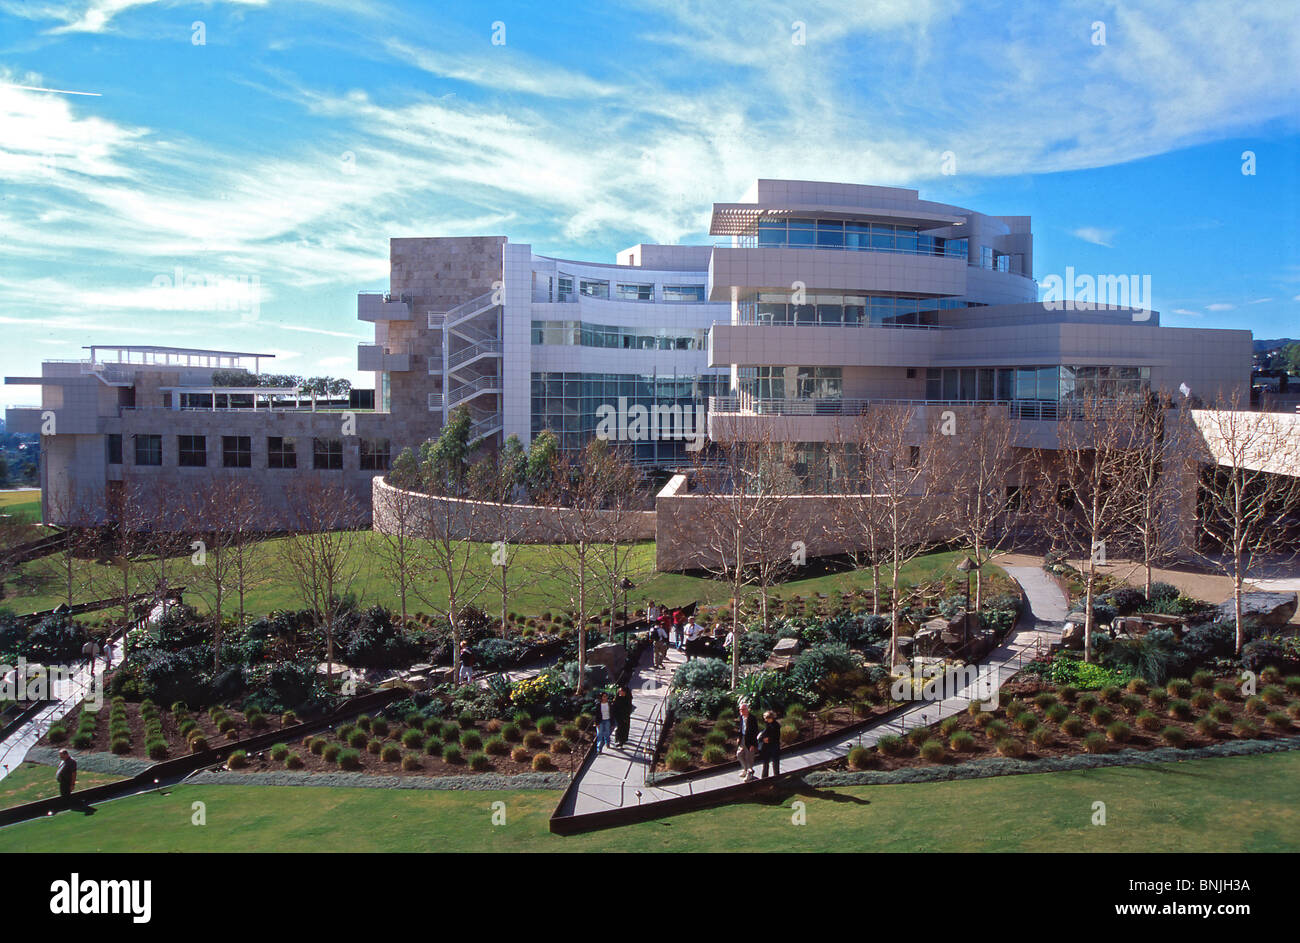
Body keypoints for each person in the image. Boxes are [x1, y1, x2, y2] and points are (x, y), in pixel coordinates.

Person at [736, 702, 759, 782]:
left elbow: (755, 731)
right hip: (743, 738)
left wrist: (753, 744)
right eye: (740, 710)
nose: (741, 711)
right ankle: (745, 769)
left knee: (749, 758)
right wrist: (739, 738)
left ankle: (750, 774)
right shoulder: (741, 717)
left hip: (750, 740)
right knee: (739, 754)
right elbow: (740, 728)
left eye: (743, 709)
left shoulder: (752, 718)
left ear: (747, 710)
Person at [758, 709, 782, 778]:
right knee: (765, 762)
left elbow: (776, 736)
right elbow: (763, 733)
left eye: (766, 718)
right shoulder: (767, 724)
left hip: (774, 746)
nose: (765, 720)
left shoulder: (776, 725)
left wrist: (769, 739)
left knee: (775, 762)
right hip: (767, 746)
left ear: (770, 718)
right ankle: (764, 777)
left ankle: (776, 776)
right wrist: (763, 739)